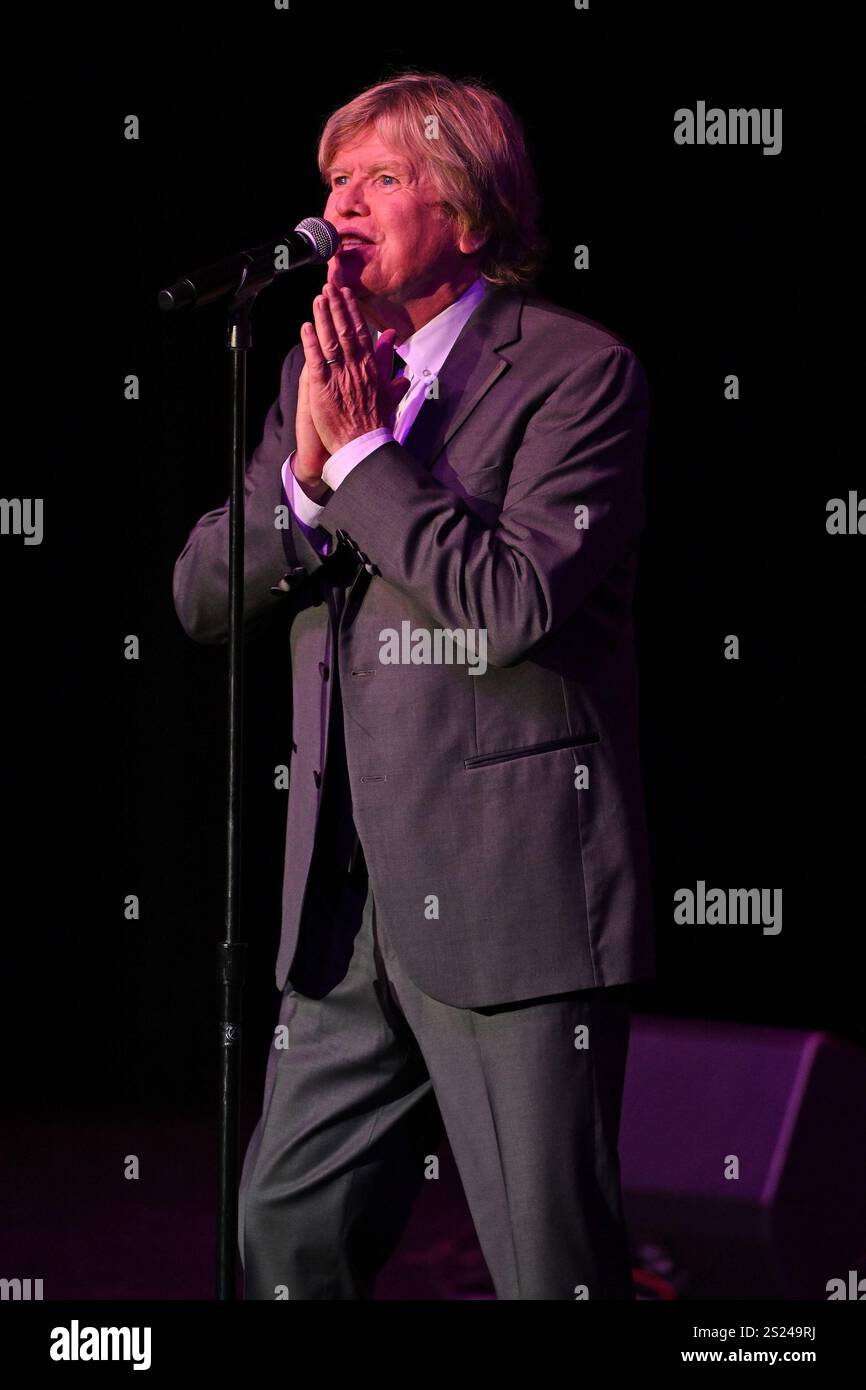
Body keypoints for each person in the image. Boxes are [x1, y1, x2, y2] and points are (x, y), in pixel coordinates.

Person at [172, 69, 655, 1300]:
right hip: (338, 908)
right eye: (334, 179)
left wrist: (369, 462)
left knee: (553, 1267)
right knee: (283, 1242)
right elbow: (198, 593)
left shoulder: (575, 374)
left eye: (383, 177)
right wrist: (302, 480)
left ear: (472, 213)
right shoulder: (316, 373)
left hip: (510, 897)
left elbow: (513, 605)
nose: (343, 203)